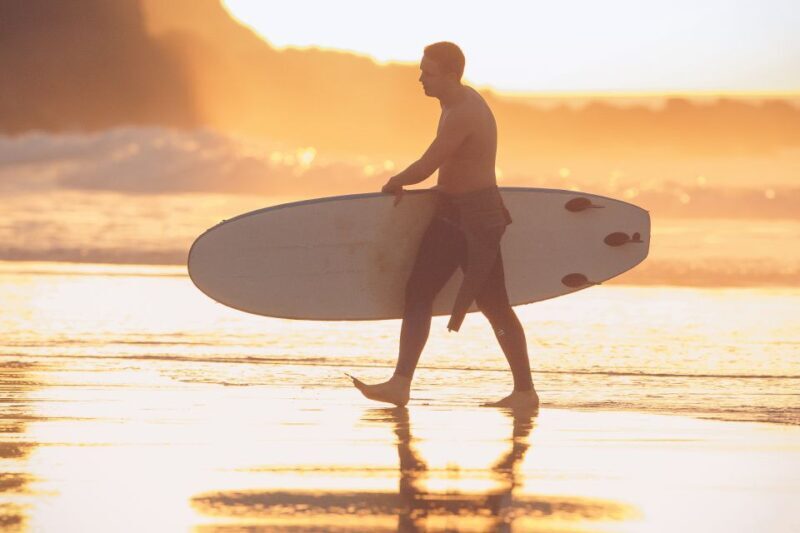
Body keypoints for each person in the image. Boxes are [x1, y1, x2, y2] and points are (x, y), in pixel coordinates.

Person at [349, 42, 539, 410]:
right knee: (427, 294)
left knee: (490, 305)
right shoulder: (453, 104)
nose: (420, 77)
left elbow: (428, 164)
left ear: (451, 75)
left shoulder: (465, 112)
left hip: (473, 219)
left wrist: (395, 182)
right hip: (455, 212)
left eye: (428, 71)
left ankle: (524, 392)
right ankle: (402, 383)